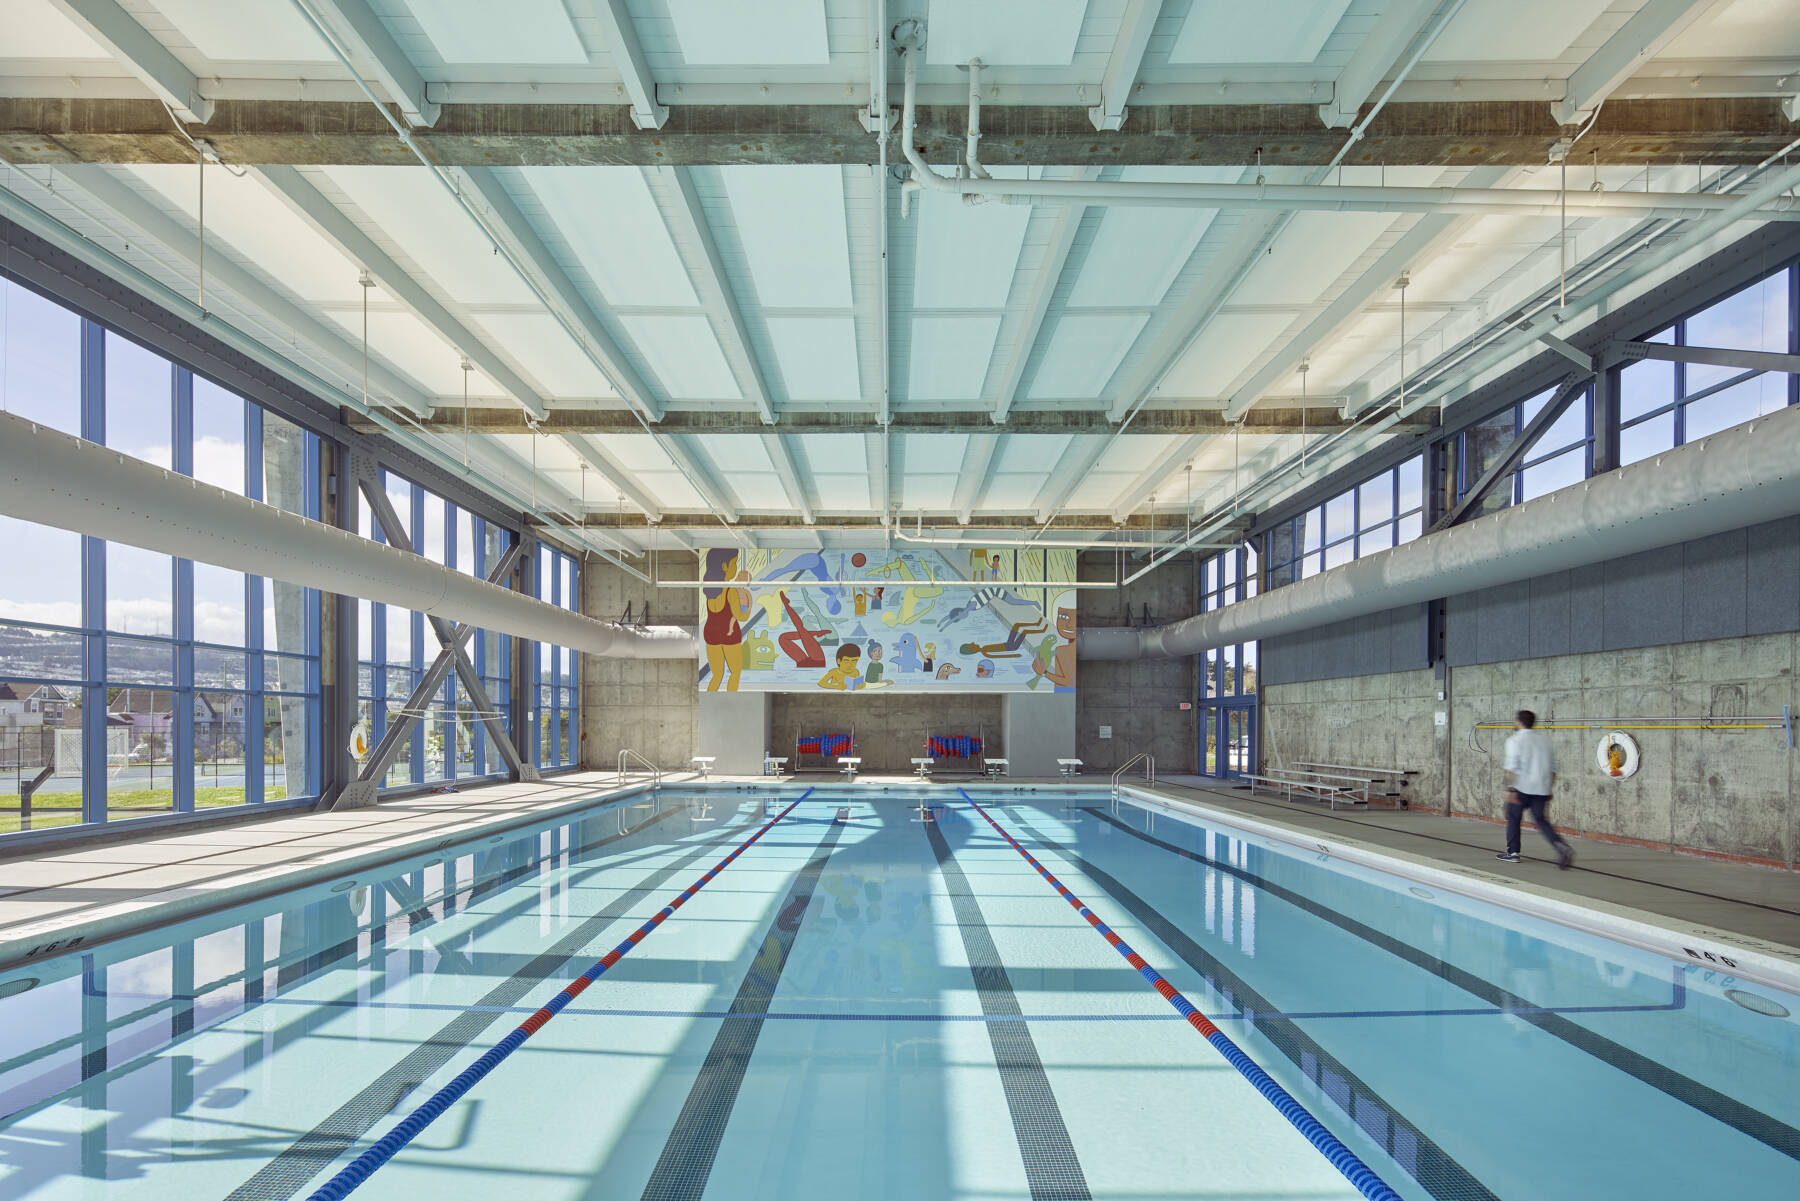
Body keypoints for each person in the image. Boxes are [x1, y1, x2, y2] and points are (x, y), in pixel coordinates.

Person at [1497, 709, 1573, 868]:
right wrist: (1549, 789)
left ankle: (1513, 852)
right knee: (1540, 819)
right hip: (1542, 788)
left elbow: (1511, 768)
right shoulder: (1545, 741)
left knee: (1513, 816)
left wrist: (1511, 789)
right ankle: (1560, 845)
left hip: (1522, 788)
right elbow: (1553, 769)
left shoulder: (1514, 740)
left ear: (1519, 722)